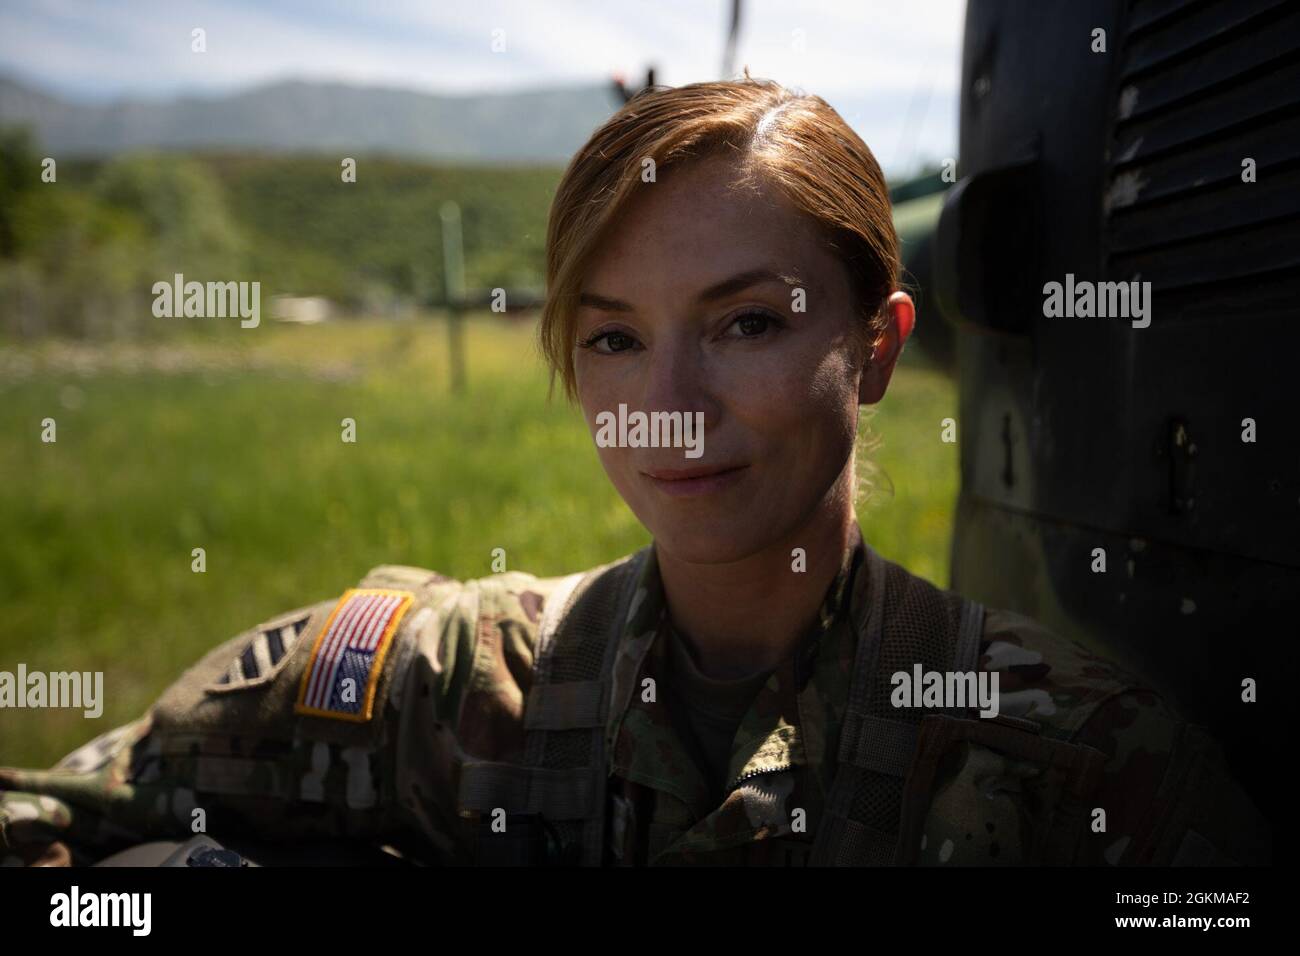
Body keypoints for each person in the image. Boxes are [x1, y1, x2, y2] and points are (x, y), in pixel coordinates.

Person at [0, 78, 1270, 867]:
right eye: (613, 338)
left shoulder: (1085, 767)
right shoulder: (439, 683)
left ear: (875, 347)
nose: (666, 409)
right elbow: (58, 824)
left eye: (746, 324)